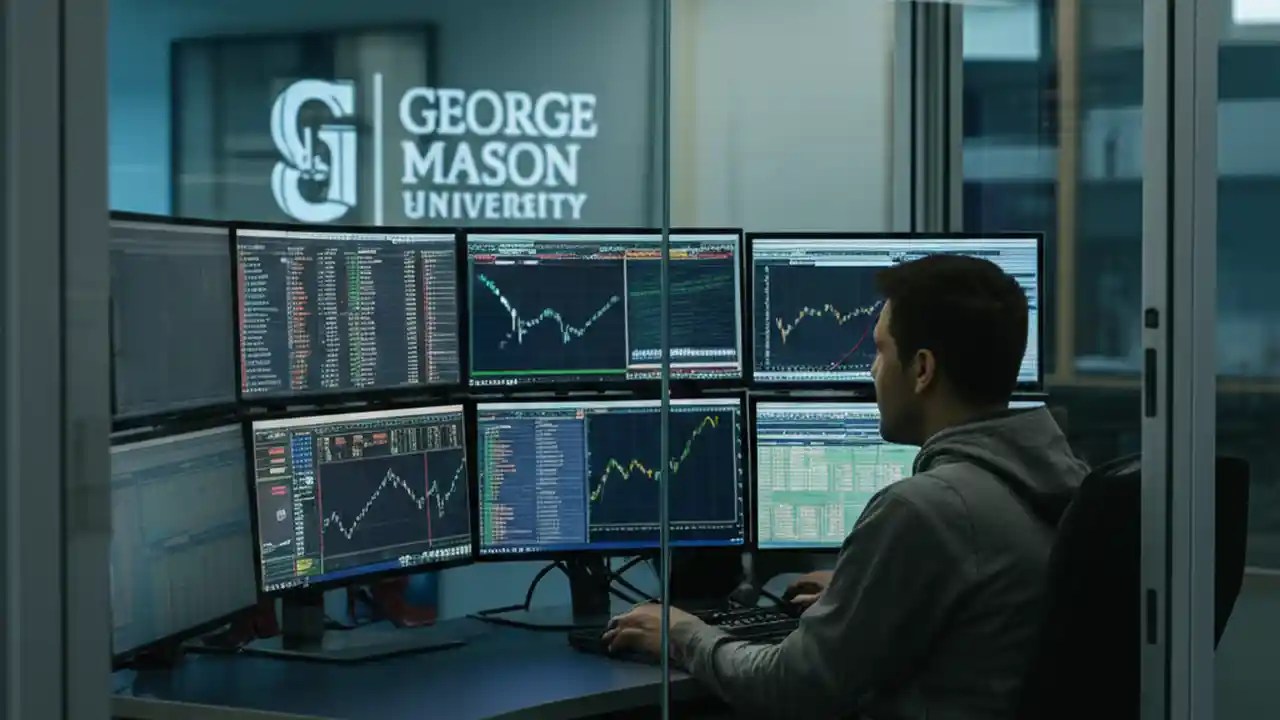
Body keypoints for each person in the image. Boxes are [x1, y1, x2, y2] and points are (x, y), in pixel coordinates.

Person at [604, 254, 1088, 719]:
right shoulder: (1062, 480)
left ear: (922, 369)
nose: (872, 371)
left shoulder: (924, 510)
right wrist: (864, 590)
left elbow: (790, 688)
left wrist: (682, 632)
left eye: (879, 350)